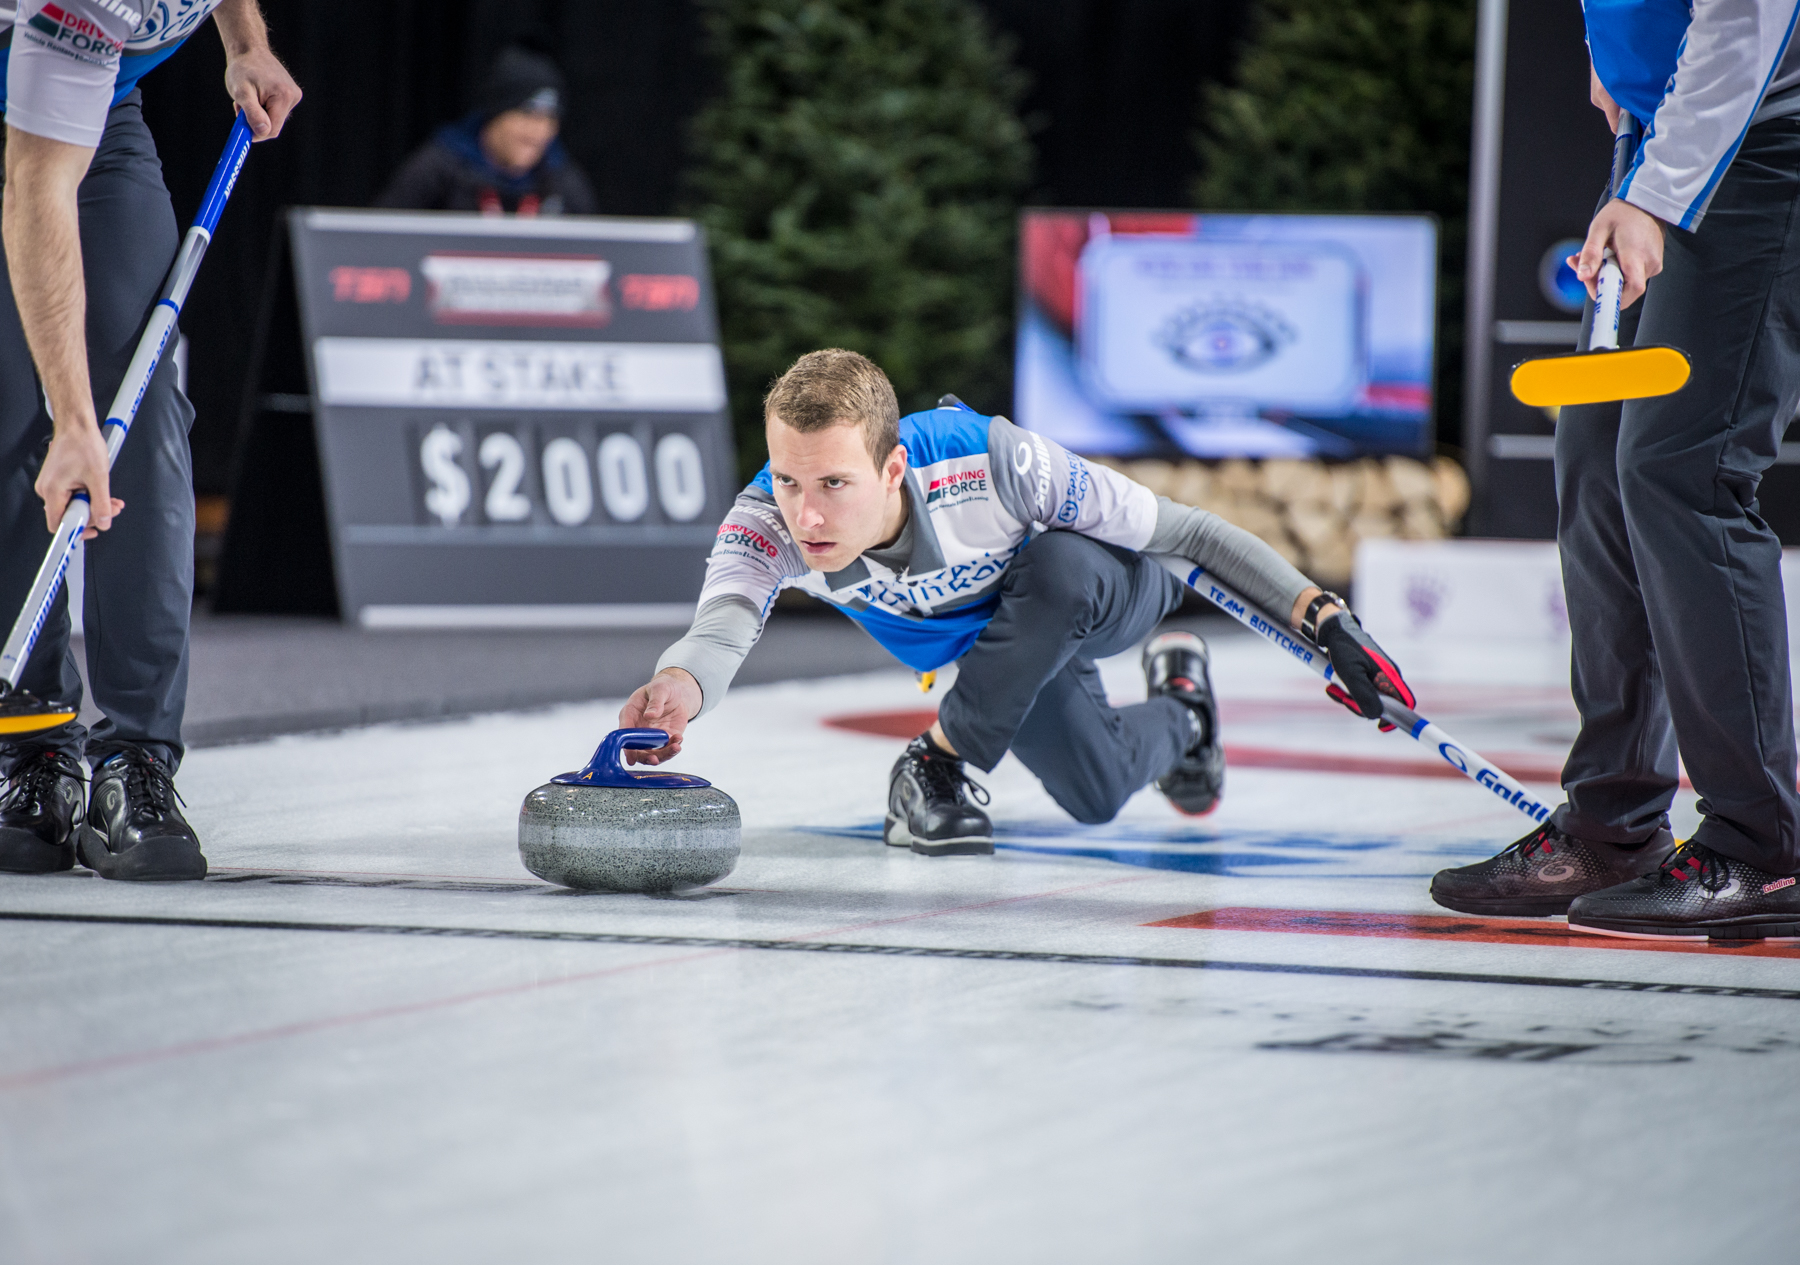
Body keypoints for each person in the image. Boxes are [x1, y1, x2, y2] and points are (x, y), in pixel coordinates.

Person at [620, 349, 1415, 853]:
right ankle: (1186, 714)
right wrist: (677, 689)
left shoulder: (992, 462)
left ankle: (936, 760)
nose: (809, 515)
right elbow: (722, 626)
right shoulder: (768, 521)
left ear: (893, 470)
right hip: (1005, 649)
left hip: (1111, 590)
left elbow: (1192, 532)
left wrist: (1327, 620)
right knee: (1096, 790)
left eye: (834, 482)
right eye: (790, 480)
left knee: (1060, 565)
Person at [1432, 2, 1800, 938]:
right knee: (1597, 463)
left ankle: (1765, 847)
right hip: (1667, 135)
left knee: (1686, 472)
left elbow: (1748, 15)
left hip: (1754, 143)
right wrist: (1619, 61)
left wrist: (1657, 188)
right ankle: (1616, 822)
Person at [0, 1, 300, 881]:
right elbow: (36, 185)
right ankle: (32, 747)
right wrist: (71, 420)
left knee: (143, 414)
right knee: (19, 412)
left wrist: (246, 43)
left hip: (98, 106)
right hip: (38, 103)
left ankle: (136, 757)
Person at [375, 46, 595, 217]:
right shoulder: (438, 170)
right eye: (527, 115)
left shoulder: (563, 181)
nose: (539, 132)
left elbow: (595, 252)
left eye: (550, 118)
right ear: (495, 115)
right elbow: (383, 239)